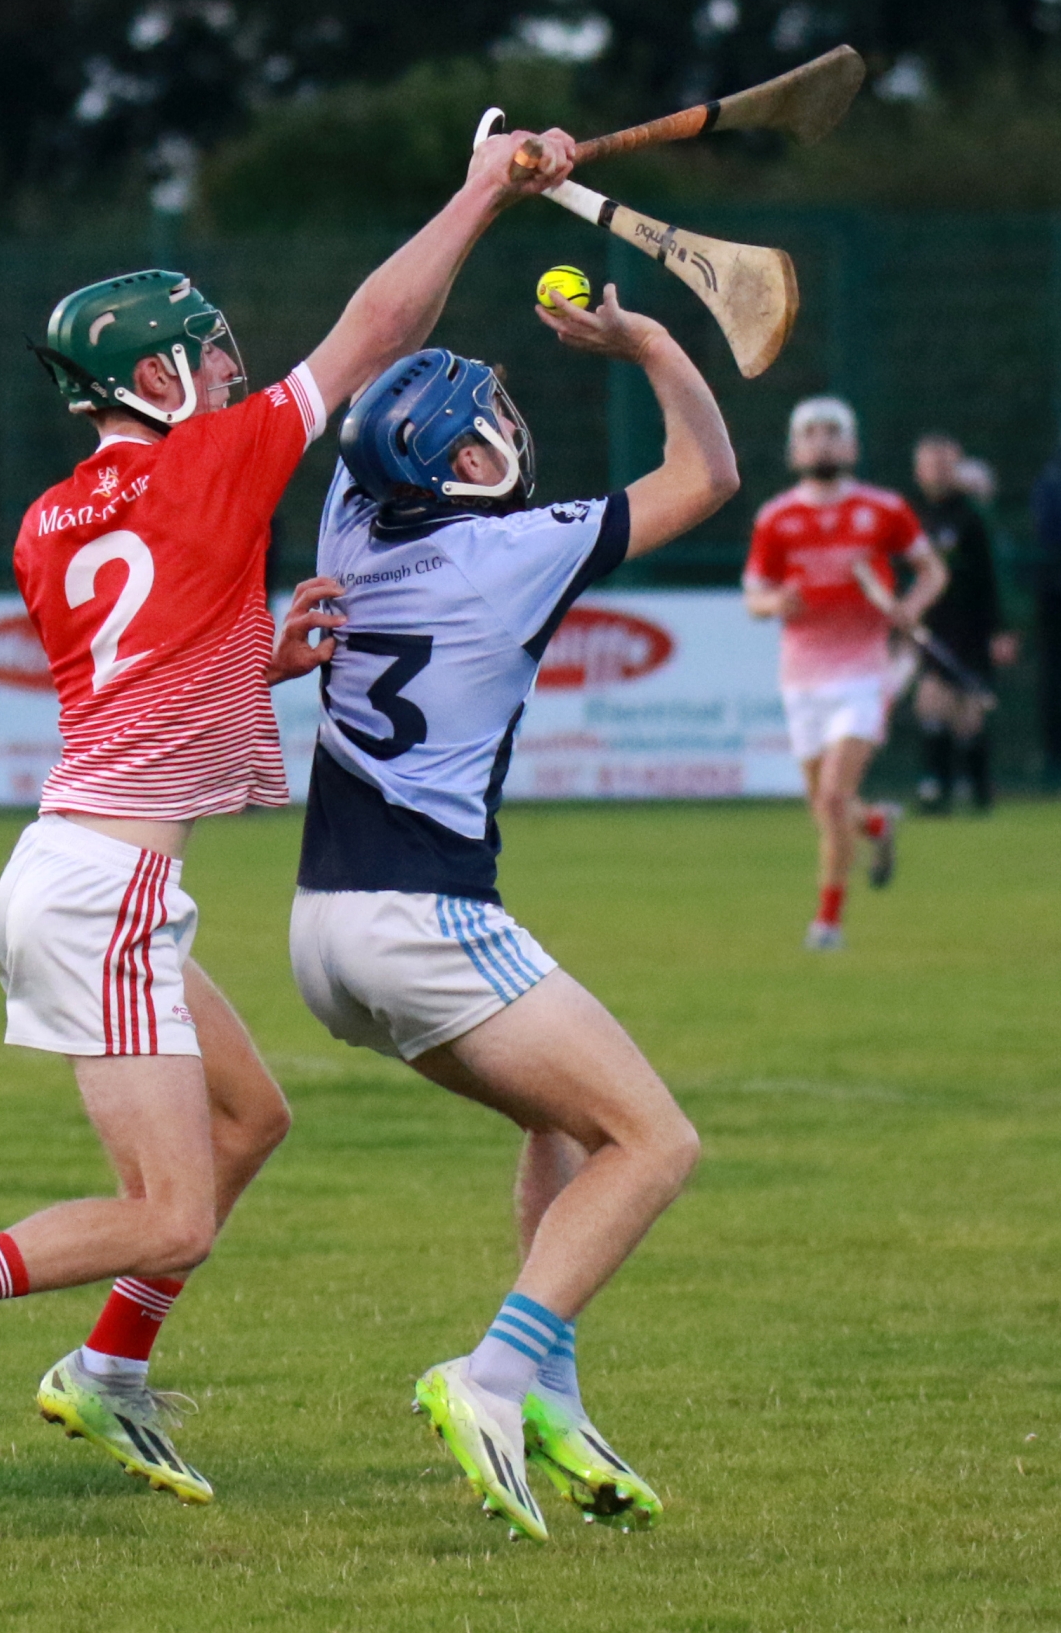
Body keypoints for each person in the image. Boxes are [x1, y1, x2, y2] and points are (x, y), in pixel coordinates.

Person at [0, 123, 578, 1503]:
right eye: (212, 354)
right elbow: (378, 325)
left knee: (249, 1123)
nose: (233, 371)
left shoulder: (48, 520)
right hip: (101, 888)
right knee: (167, 1206)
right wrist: (477, 190)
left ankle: (106, 1373)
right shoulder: (209, 462)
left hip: (76, 866)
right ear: (158, 375)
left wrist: (263, 661)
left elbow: (142, 673)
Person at [270, 280, 737, 1543]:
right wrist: (641, 337)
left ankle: (549, 1399)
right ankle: (488, 1374)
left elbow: (376, 341)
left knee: (568, 1123)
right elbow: (706, 471)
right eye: (491, 426)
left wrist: (497, 177)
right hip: (421, 919)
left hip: (320, 932)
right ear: (468, 462)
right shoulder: (510, 553)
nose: (510, 436)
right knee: (658, 1144)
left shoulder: (350, 522)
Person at [744, 398, 947, 950]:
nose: (823, 442)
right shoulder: (776, 517)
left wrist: (911, 607)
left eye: (834, 433)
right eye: (811, 433)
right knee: (825, 804)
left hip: (864, 671)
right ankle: (878, 824)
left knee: (833, 796)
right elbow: (754, 595)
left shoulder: (883, 509)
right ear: (794, 449)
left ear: (852, 446)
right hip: (801, 675)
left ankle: (828, 922)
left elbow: (931, 571)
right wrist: (776, 602)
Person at [910, 433, 1017, 812]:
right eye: (930, 465)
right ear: (918, 470)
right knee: (931, 702)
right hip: (933, 627)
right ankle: (937, 786)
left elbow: (994, 576)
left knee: (968, 711)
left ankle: (977, 788)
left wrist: (1002, 630)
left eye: (944, 465)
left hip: (972, 626)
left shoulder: (973, 517)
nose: (937, 473)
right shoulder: (915, 517)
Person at [1031, 421, 1061, 787]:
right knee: (1053, 680)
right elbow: (1051, 532)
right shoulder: (1052, 483)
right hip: (1058, 594)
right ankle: (1056, 759)